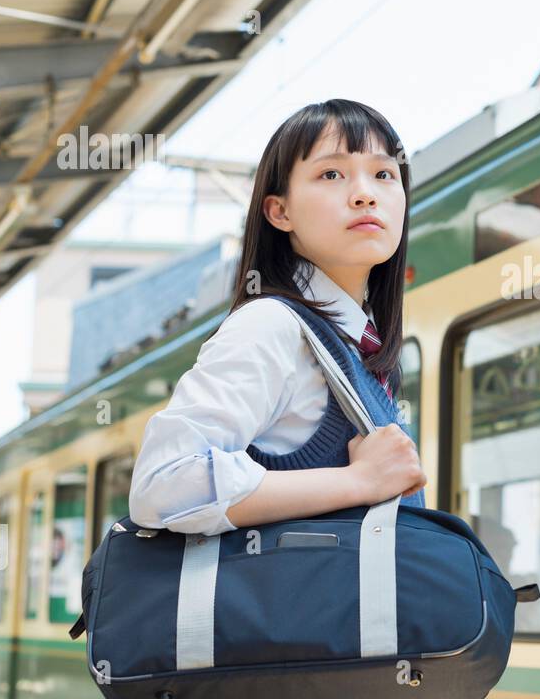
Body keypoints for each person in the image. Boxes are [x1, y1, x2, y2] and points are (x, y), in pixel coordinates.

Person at [129, 98, 428, 540]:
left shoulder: (357, 347)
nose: (366, 193)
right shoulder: (270, 325)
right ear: (279, 211)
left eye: (384, 174)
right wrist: (357, 481)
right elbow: (161, 483)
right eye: (332, 174)